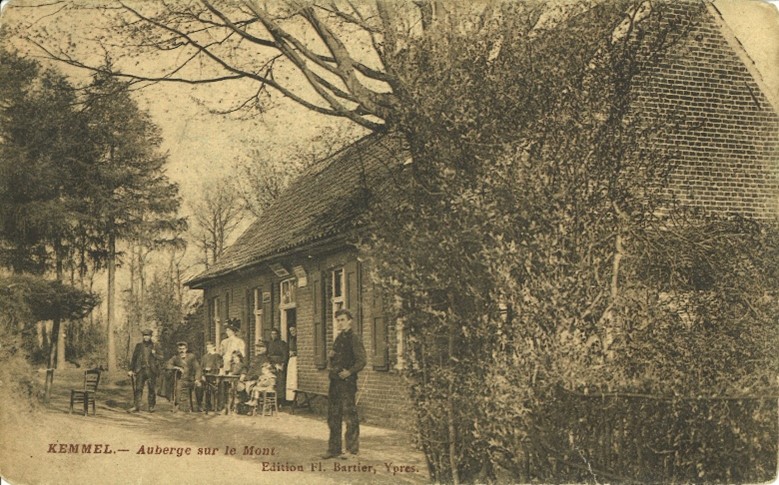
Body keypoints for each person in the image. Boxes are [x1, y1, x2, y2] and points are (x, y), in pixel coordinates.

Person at [322, 309, 366, 459]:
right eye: (338, 320)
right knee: (333, 416)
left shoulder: (354, 338)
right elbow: (334, 359)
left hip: (347, 383)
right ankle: (334, 449)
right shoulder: (339, 338)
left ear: (349, 321)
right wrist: (331, 357)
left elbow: (362, 361)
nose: (339, 323)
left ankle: (352, 450)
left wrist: (350, 372)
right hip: (335, 382)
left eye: (342, 320)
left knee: (349, 415)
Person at [127, 329, 163, 413]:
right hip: (140, 370)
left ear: (150, 336)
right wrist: (131, 370)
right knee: (138, 388)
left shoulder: (155, 346)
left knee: (151, 389)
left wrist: (154, 354)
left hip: (151, 370)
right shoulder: (139, 346)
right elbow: (134, 359)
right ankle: (136, 406)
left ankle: (151, 406)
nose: (146, 337)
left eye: (147, 335)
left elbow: (161, 357)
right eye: (144, 335)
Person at [165, 341, 202, 412]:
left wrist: (197, 379)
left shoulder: (191, 357)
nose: (182, 350)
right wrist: (176, 367)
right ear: (178, 350)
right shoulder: (175, 358)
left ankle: (199, 405)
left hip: (191, 380)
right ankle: (176, 405)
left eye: (183, 349)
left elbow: (198, 368)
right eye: (180, 349)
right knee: (177, 387)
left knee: (199, 387)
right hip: (181, 380)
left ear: (186, 349)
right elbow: (167, 365)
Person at [197, 342, 222, 412]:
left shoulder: (217, 356)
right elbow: (200, 368)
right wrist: (201, 376)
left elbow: (220, 366)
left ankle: (216, 406)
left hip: (214, 377)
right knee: (198, 387)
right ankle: (201, 405)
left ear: (214, 348)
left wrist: (212, 368)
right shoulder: (204, 357)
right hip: (205, 377)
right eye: (207, 347)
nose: (208, 349)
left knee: (214, 388)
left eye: (210, 347)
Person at [266, 328, 289, 401]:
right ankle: (271, 399)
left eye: (275, 334)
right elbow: (267, 354)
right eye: (272, 334)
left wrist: (282, 364)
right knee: (271, 380)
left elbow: (285, 355)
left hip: (279, 363)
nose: (273, 335)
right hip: (271, 363)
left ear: (278, 335)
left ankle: (280, 400)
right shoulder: (269, 344)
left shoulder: (281, 343)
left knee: (280, 381)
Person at [285, 326, 298, 401]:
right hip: (291, 359)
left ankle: (295, 398)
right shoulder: (291, 339)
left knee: (294, 378)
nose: (292, 332)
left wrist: (295, 352)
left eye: (293, 330)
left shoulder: (298, 338)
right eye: (290, 331)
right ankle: (290, 398)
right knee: (290, 378)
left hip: (296, 359)